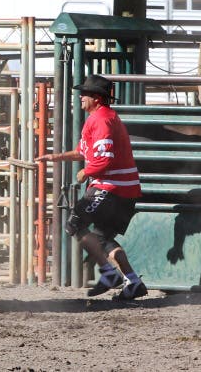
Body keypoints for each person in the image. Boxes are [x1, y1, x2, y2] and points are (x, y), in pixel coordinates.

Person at [36, 74, 147, 301]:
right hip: (124, 189)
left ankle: (109, 274)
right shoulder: (101, 118)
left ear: (96, 98)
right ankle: (132, 282)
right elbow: (83, 152)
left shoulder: (102, 120)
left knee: (75, 225)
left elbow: (104, 159)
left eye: (84, 94)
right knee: (103, 238)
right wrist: (54, 157)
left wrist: (86, 172)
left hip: (112, 187)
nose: (81, 98)